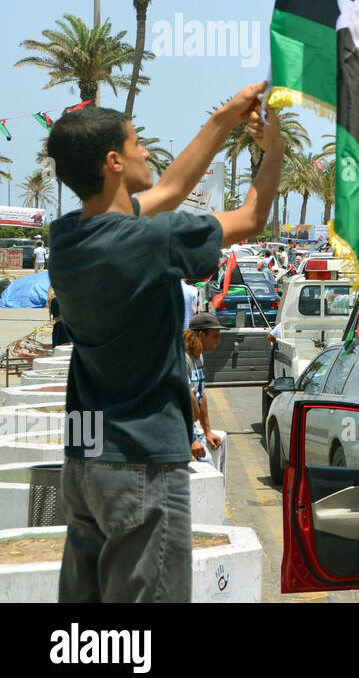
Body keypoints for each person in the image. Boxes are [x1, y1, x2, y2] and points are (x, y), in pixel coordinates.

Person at [47, 82, 281, 602]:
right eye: (137, 144)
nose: (147, 152)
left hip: (84, 459)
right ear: (113, 162)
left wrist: (224, 118)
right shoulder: (152, 241)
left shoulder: (64, 238)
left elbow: (170, 191)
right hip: (143, 461)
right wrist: (276, 151)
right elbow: (250, 219)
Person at [183, 311, 227, 475]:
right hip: (184, 434)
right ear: (201, 335)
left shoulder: (198, 355)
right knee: (207, 470)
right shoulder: (183, 358)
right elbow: (183, 401)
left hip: (193, 432)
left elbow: (201, 394)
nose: (218, 340)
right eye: (215, 336)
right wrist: (191, 439)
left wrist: (207, 431)